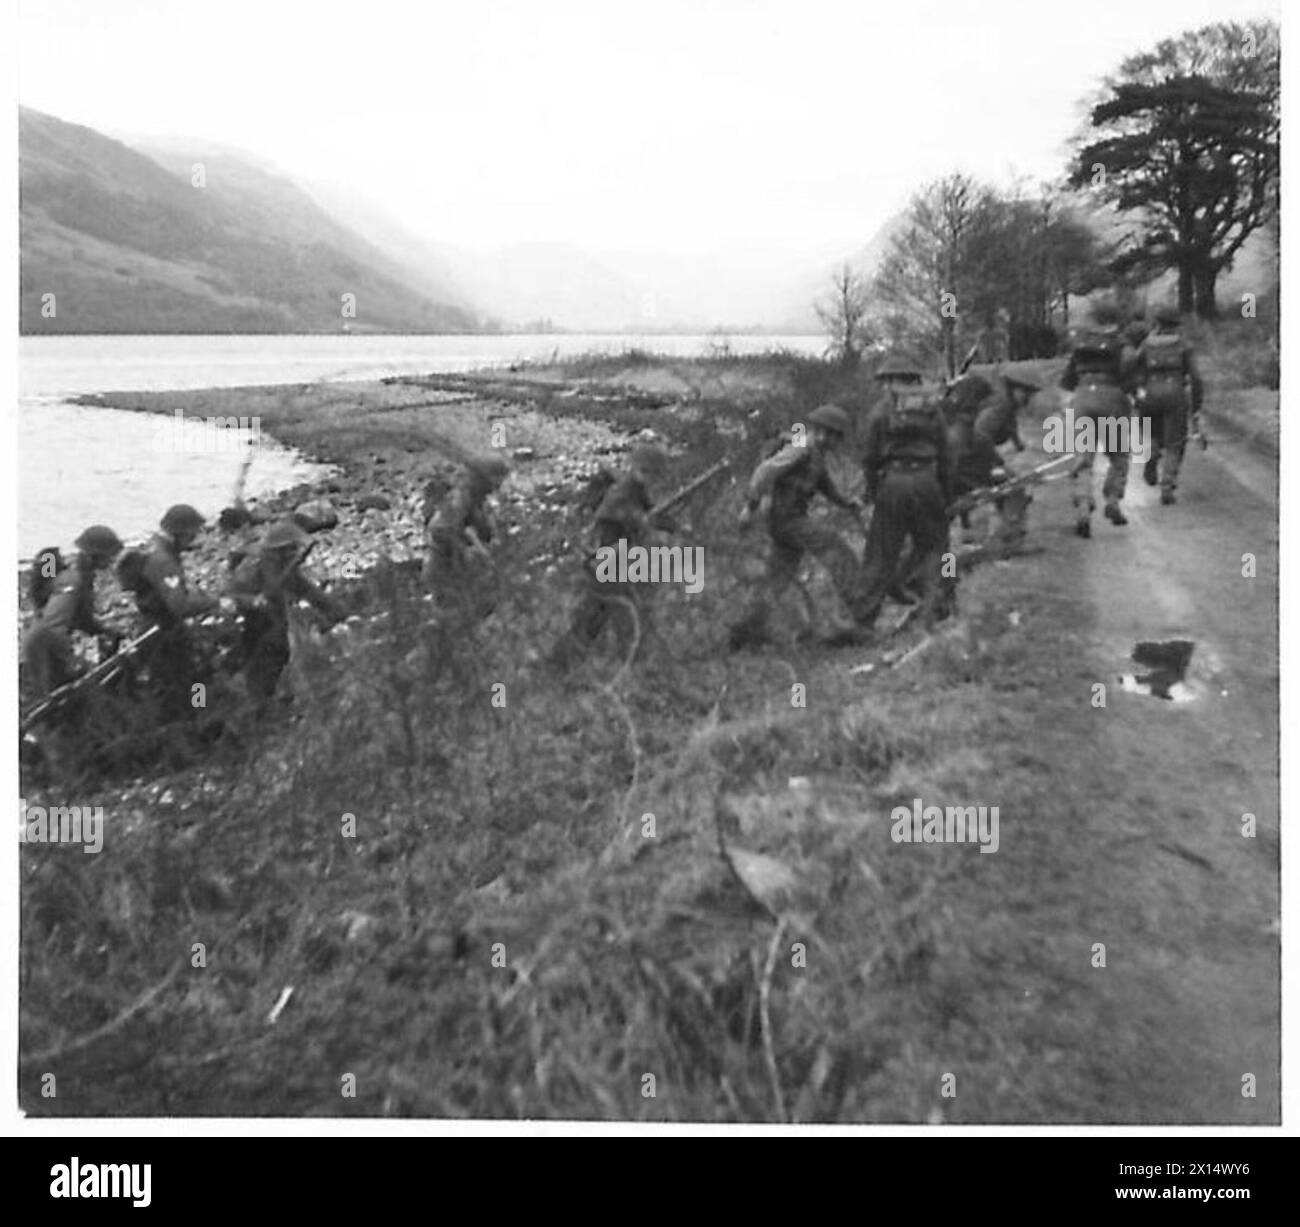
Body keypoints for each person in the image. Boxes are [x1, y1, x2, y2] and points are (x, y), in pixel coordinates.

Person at [728, 404, 871, 650]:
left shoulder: (815, 454)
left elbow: (824, 485)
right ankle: (859, 616)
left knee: (778, 577)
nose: (838, 443)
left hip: (788, 520)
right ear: (825, 433)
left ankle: (747, 629)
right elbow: (764, 472)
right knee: (834, 545)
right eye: (836, 436)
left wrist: (847, 503)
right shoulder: (800, 449)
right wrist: (749, 508)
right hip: (786, 519)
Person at [554, 445, 676, 663]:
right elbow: (628, 514)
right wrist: (645, 520)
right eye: (650, 472)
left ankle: (586, 658)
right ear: (640, 469)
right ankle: (564, 660)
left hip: (615, 559)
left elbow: (651, 514)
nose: (654, 479)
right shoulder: (623, 490)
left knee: (606, 611)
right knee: (600, 612)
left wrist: (671, 524)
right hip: (603, 557)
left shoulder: (637, 492)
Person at [858, 383, 955, 630]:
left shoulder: (880, 414)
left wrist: (872, 492)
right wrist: (947, 496)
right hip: (926, 480)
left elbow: (869, 459)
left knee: (880, 553)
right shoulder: (935, 414)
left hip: (893, 482)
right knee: (941, 548)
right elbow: (946, 458)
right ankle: (943, 603)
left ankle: (863, 617)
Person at [119, 503, 219, 717]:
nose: (195, 537)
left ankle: (187, 715)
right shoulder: (163, 561)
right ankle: (197, 714)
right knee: (192, 677)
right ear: (179, 533)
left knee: (175, 681)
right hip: (162, 633)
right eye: (192, 532)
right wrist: (211, 601)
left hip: (157, 628)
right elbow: (179, 605)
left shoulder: (159, 551)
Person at [227, 519, 342, 700]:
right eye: (291, 548)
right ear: (279, 549)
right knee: (256, 658)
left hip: (268, 616)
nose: (295, 552)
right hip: (250, 618)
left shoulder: (279, 565)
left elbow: (307, 590)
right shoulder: (258, 564)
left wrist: (340, 614)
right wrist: (254, 602)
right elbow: (242, 594)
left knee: (276, 653)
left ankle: (267, 696)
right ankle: (210, 701)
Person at [22, 526, 124, 700]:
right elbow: (53, 626)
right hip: (43, 643)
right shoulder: (74, 580)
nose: (112, 560)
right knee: (49, 702)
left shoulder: (84, 577)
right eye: (109, 555)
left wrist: (107, 631)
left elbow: (82, 619)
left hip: (48, 640)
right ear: (96, 556)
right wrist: (71, 659)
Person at [1060, 323, 1136, 536]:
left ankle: (1083, 506)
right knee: (1119, 456)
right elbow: (1131, 362)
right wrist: (1125, 384)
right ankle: (1112, 499)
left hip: (1083, 398)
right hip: (1112, 399)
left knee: (1083, 459)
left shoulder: (1081, 347)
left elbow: (1066, 381)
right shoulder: (1119, 343)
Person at [1134, 306, 1204, 505]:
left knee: (1154, 434)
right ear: (1176, 325)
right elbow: (1196, 378)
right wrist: (1196, 406)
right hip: (1175, 394)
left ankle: (1153, 454)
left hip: (1150, 394)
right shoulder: (1184, 345)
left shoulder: (1146, 344)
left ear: (1157, 323)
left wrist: (1137, 391)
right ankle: (1167, 485)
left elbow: (1134, 367)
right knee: (1175, 442)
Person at [422, 455, 510, 598]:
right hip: (440, 562)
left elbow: (483, 530)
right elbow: (439, 530)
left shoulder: (478, 502)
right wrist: (466, 549)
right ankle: (498, 436)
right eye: (494, 483)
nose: (496, 489)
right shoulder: (460, 500)